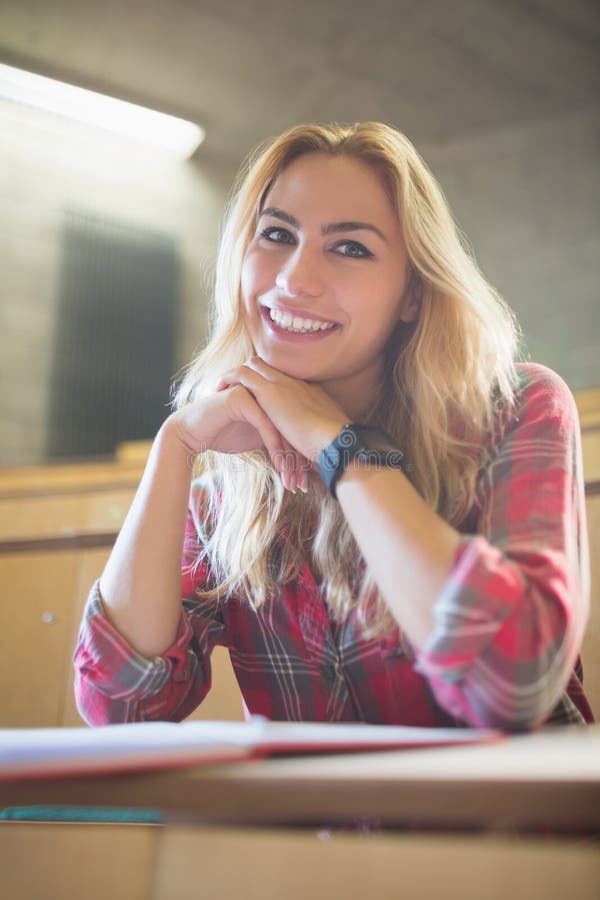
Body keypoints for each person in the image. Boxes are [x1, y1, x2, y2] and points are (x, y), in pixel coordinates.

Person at [74, 122, 593, 731]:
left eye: (350, 248)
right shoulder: (225, 502)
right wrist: (176, 444)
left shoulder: (516, 410)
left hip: (507, 826)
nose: (294, 280)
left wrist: (339, 444)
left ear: (413, 295)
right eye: (276, 234)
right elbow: (122, 706)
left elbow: (511, 685)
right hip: (304, 830)